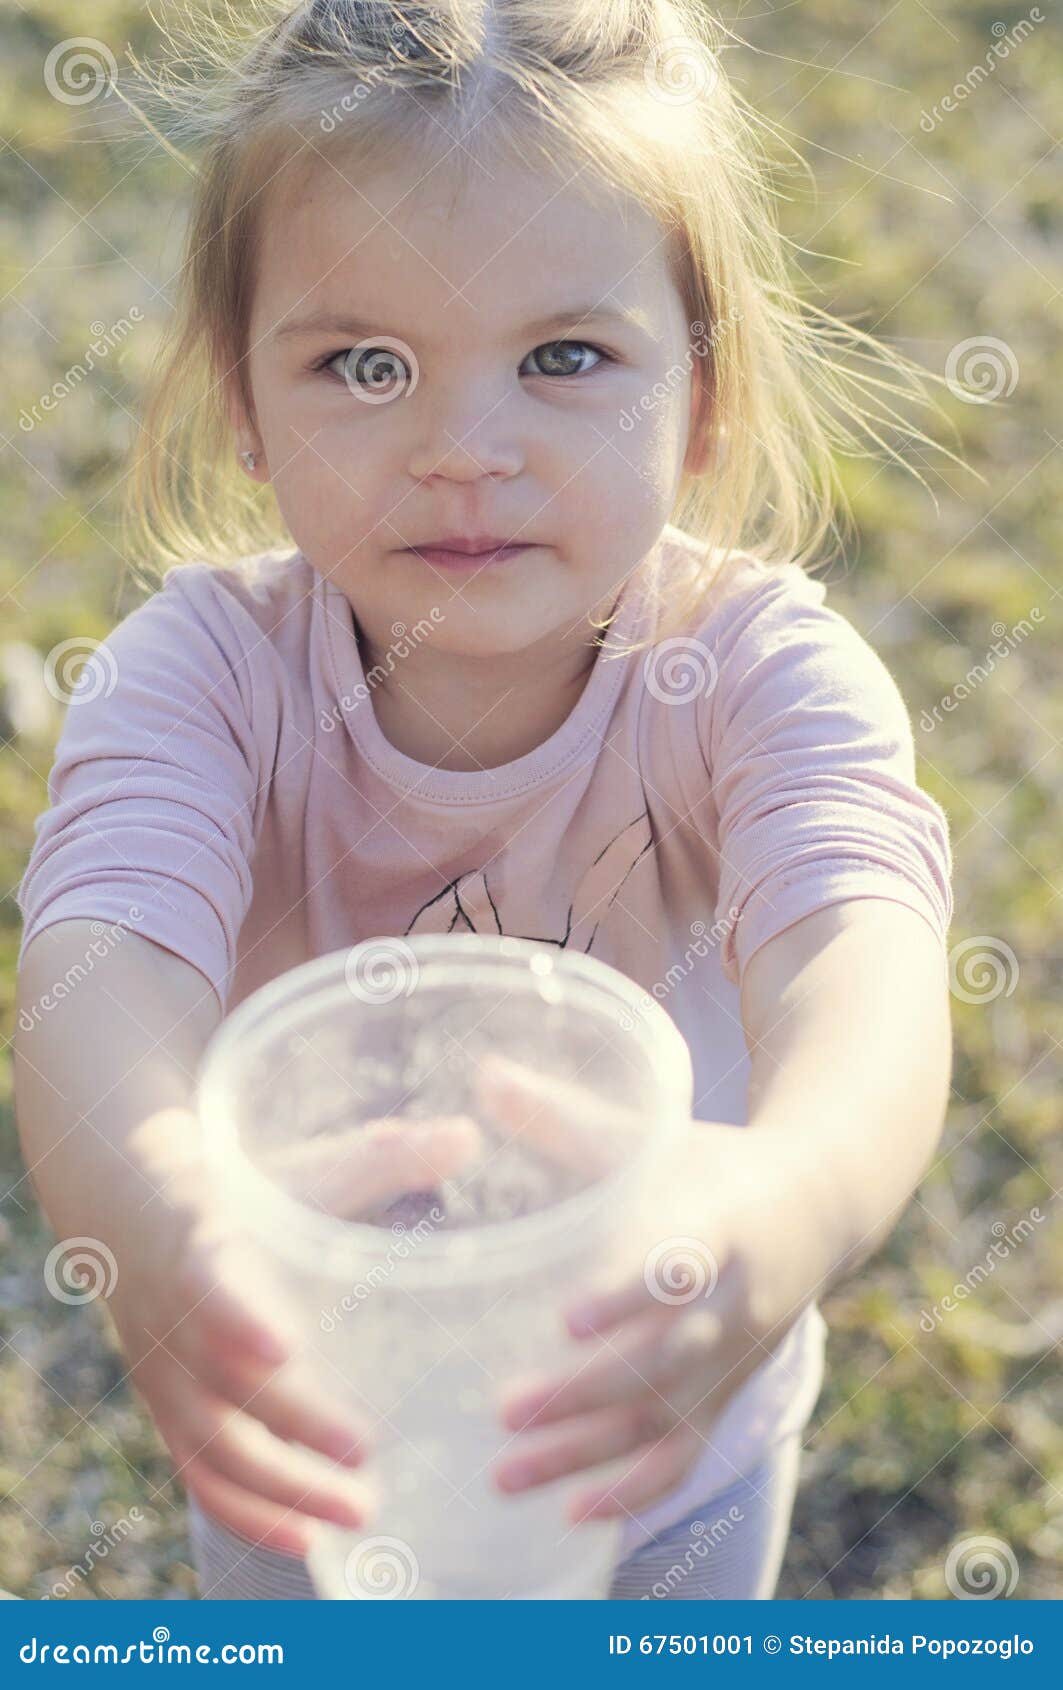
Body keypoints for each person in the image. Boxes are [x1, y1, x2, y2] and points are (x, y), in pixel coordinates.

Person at [14, 0, 954, 1601]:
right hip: (308, 1437)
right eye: (363, 364)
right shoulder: (199, 677)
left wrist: (792, 1193)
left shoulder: (751, 676)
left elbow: (863, 962)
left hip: (660, 1447)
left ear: (705, 394)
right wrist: (159, 1206)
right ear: (243, 399)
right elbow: (98, 970)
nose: (463, 448)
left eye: (565, 356)